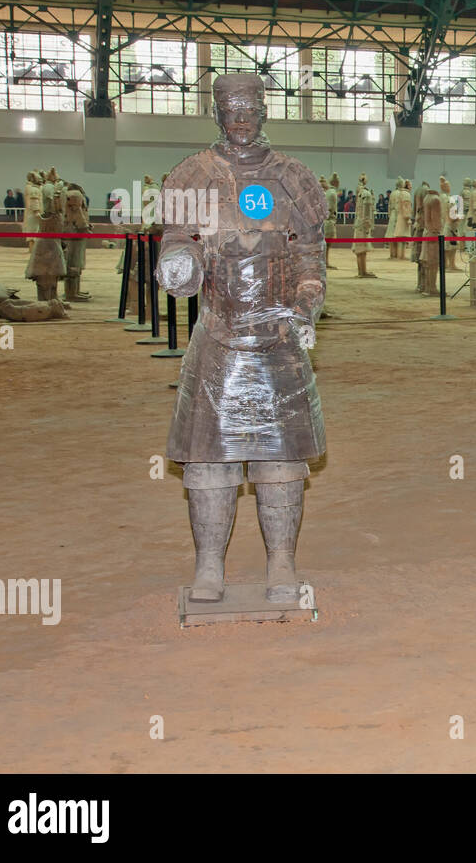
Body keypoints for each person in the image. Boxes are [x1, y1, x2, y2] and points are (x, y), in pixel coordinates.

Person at [155, 73, 327, 605]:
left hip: (278, 339)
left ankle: (281, 561)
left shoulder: (293, 178)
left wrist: (304, 306)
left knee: (280, 462)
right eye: (229, 108)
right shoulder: (191, 176)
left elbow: (309, 254)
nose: (240, 118)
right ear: (215, 112)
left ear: (264, 109)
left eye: (249, 107)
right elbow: (176, 244)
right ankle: (209, 566)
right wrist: (179, 263)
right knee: (209, 462)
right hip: (218, 338)